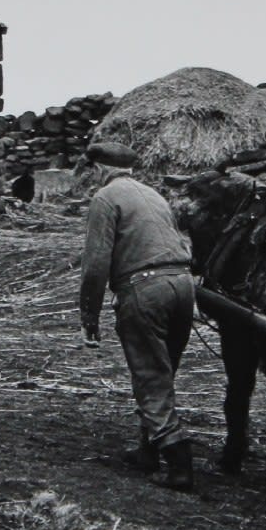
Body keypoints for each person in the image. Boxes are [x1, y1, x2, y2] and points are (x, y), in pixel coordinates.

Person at [78, 141, 196, 491]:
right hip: (183, 285)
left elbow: (96, 264)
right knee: (163, 370)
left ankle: (179, 463)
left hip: (145, 290)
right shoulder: (153, 194)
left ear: (99, 169)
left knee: (150, 375)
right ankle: (149, 450)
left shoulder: (105, 198)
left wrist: (89, 317)